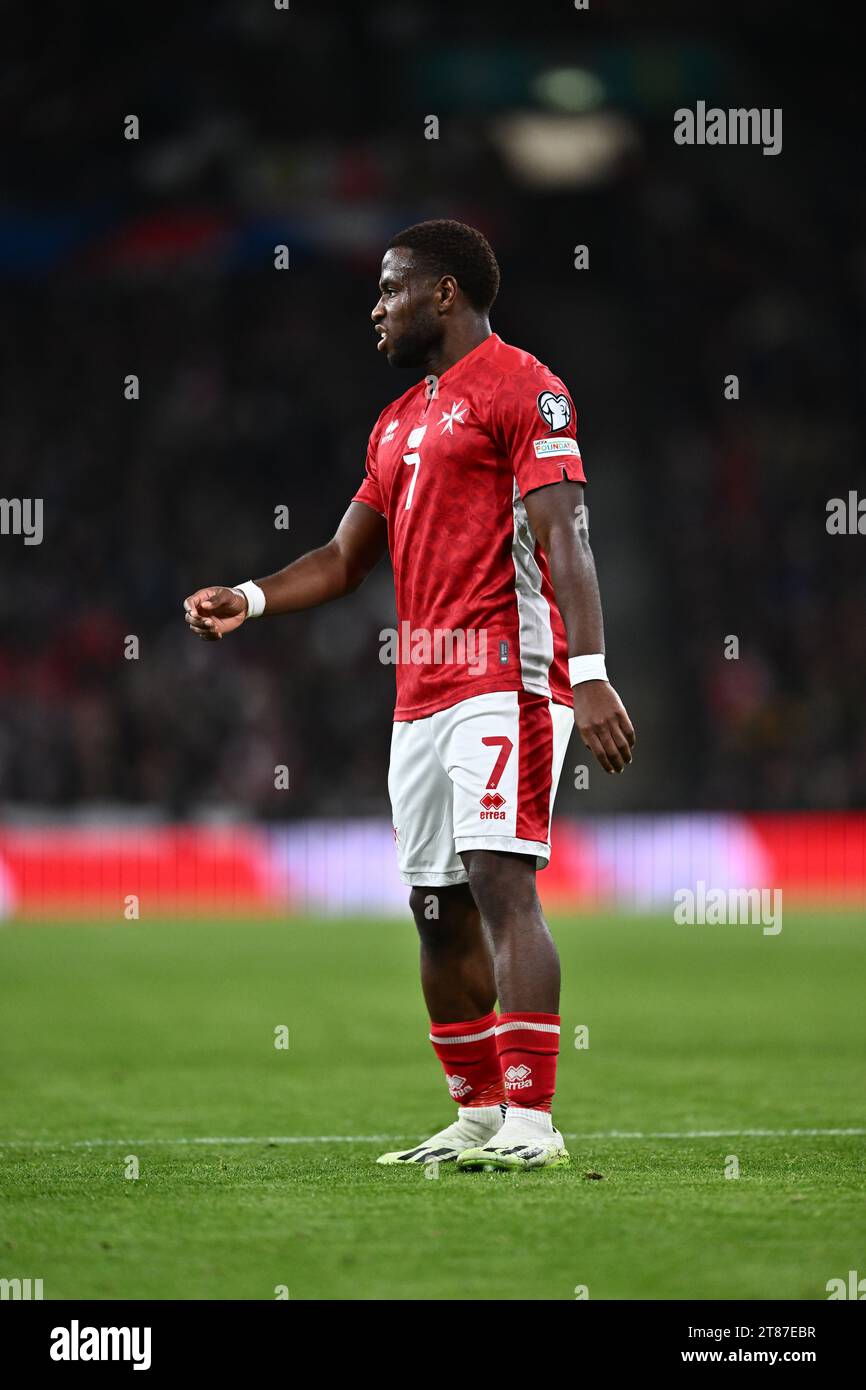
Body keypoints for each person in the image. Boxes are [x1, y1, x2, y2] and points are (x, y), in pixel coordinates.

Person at [184, 219, 635, 1172]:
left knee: (501, 883)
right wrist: (253, 597)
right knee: (436, 910)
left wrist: (588, 676)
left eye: (391, 289)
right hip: (420, 694)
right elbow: (346, 559)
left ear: (444, 293)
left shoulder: (525, 388)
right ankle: (474, 1116)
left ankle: (533, 1124)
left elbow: (568, 537)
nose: (376, 308)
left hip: (503, 677)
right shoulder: (397, 423)